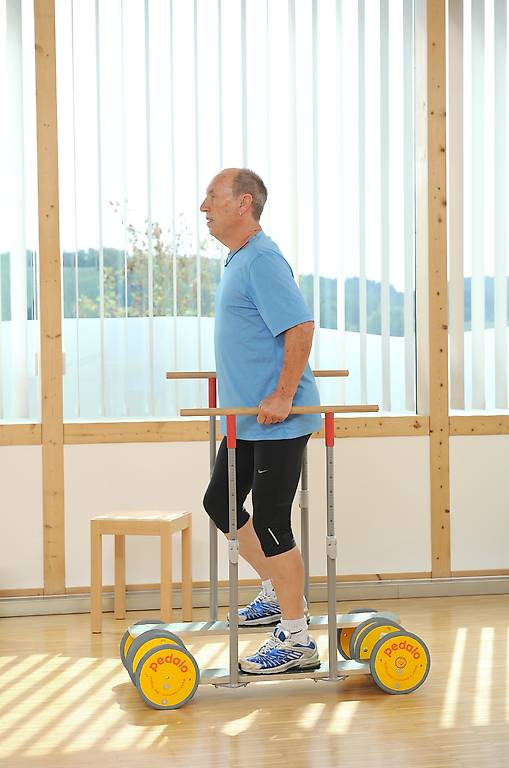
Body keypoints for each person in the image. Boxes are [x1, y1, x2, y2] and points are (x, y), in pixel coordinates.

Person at [200, 168, 322, 674]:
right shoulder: (238, 259)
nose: (203, 206)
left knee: (272, 521)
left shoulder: (264, 259)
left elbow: (300, 326)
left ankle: (297, 641)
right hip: (247, 420)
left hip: (278, 419)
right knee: (220, 502)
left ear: (243, 202)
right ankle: (275, 592)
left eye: (212, 196)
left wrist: (283, 393)